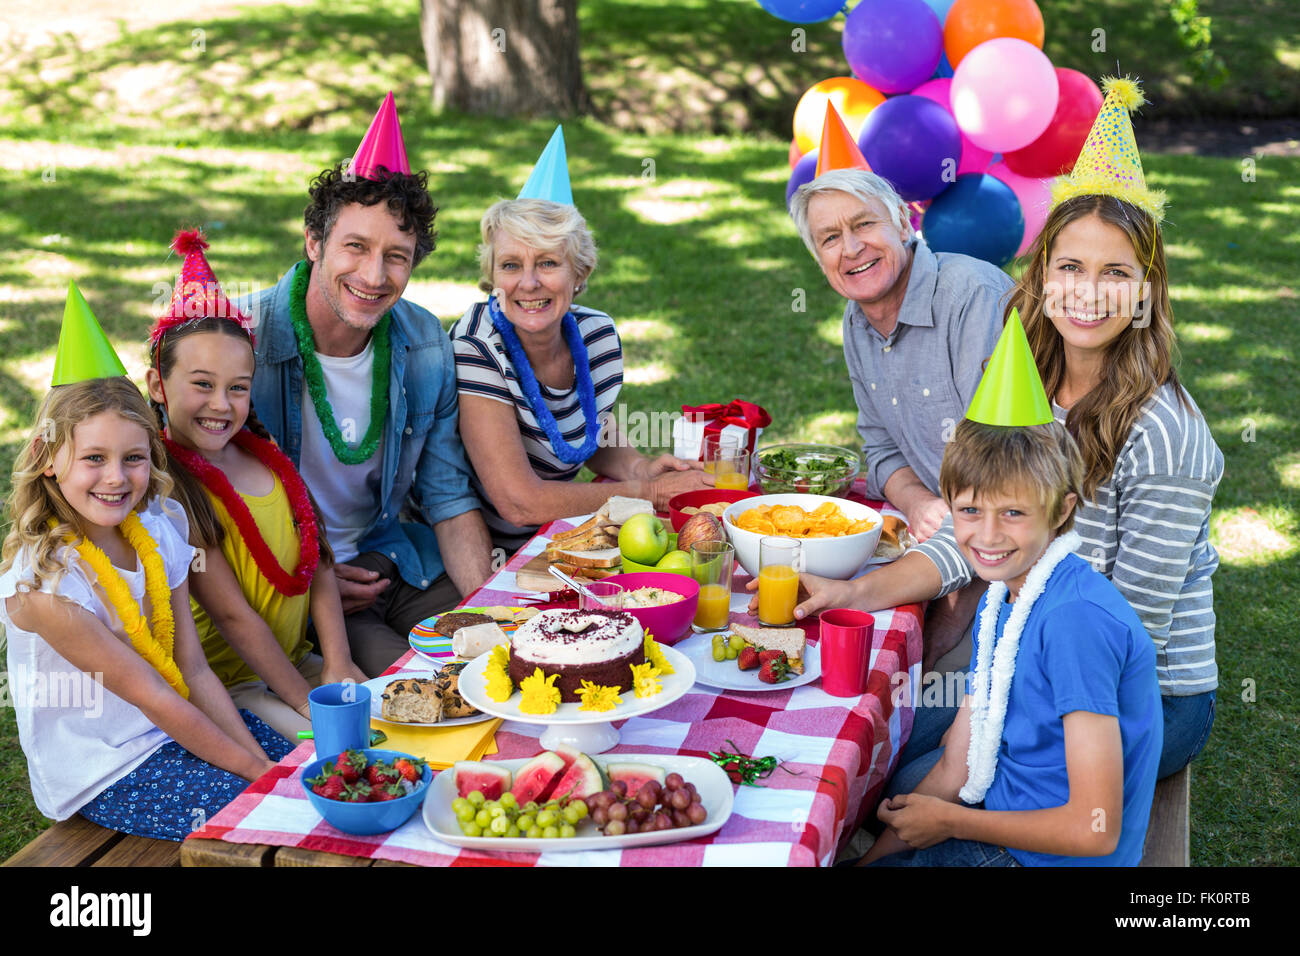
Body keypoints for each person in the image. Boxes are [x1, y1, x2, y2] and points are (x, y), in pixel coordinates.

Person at [788, 79, 1221, 782]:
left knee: (915, 781)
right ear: (1042, 274)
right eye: (1070, 266)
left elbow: (1129, 637)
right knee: (882, 737)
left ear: (1146, 292)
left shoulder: (1165, 436)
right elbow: (989, 538)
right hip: (1025, 644)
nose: (1086, 290)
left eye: (1115, 273)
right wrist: (857, 593)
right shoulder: (1027, 388)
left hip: (1139, 693)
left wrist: (983, 722)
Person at [0, 286, 290, 841]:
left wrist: (263, 765)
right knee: (261, 819)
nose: (116, 479)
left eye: (133, 458)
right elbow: (151, 694)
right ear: (47, 460)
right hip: (108, 766)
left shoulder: (158, 524)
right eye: (93, 459)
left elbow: (192, 667)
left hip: (179, 719)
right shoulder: (46, 587)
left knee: (302, 772)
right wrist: (259, 779)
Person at [242, 95, 493, 677]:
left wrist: (492, 610)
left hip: (394, 561)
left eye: (396, 257)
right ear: (313, 242)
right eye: (355, 247)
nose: (374, 277)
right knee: (423, 690)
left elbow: (448, 498)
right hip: (288, 586)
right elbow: (201, 511)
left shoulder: (425, 342)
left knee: (504, 660)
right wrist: (308, 587)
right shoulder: (241, 343)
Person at [861, 400, 1162, 866]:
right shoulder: (1003, 596)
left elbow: (1094, 830)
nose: (988, 535)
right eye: (970, 509)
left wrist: (950, 821)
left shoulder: (1073, 623)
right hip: (1007, 818)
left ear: (1061, 511)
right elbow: (955, 764)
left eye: (1014, 513)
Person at [788, 163, 1013, 673]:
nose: (851, 248)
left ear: (903, 223)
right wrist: (917, 501)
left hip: (1014, 551)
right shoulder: (857, 317)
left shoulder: (972, 297)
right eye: (829, 237)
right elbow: (880, 446)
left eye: (864, 225)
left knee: (916, 689)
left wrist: (954, 612)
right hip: (948, 536)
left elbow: (1010, 484)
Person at [146, 230, 365, 739]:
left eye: (237, 388)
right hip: (229, 685)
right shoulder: (169, 491)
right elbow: (232, 616)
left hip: (300, 664)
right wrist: (308, 704)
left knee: (381, 724)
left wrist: (337, 664)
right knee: (318, 753)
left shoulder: (271, 465)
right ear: (159, 385)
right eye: (201, 384)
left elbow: (320, 564)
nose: (221, 404)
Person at [451, 142, 710, 551]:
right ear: (492, 275)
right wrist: (648, 494)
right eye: (511, 265)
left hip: (561, 534)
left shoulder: (596, 335)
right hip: (485, 549)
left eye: (548, 263)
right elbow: (519, 502)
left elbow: (586, 426)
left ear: (580, 272)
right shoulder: (477, 346)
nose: (529, 282)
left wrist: (638, 466)